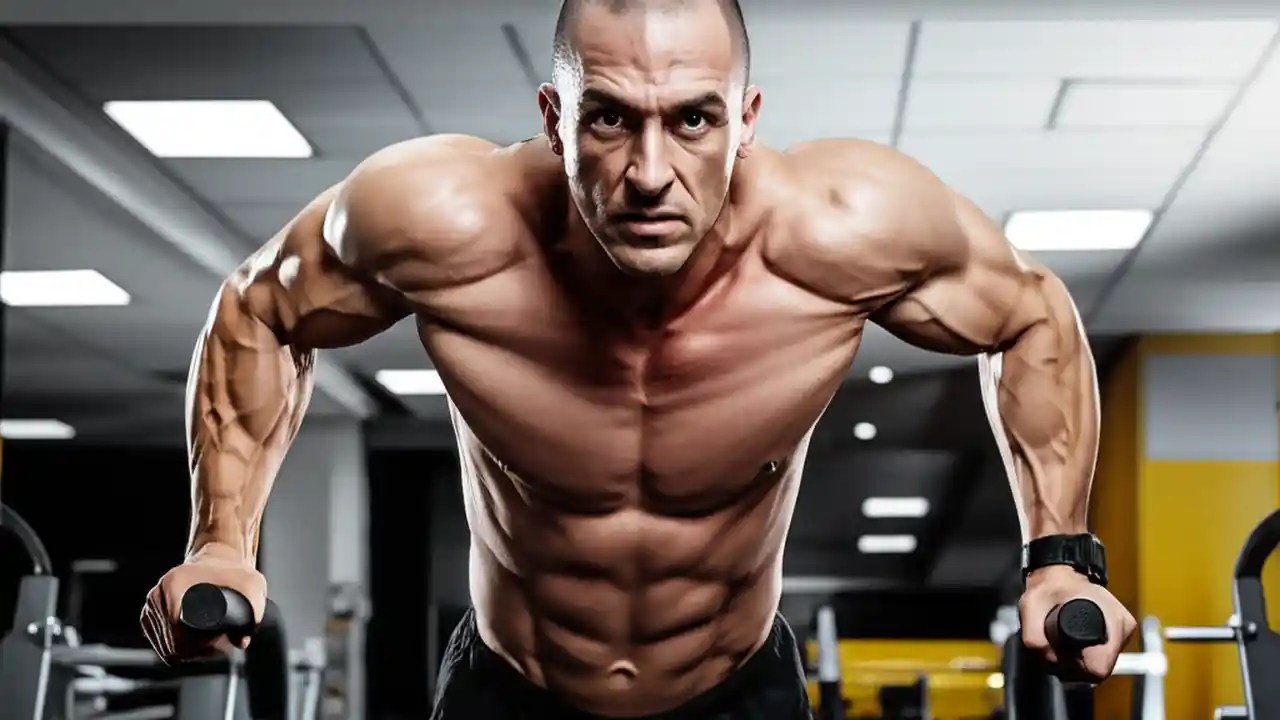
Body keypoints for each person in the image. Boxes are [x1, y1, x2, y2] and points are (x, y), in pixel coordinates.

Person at [141, 0, 1137, 717]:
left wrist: (1058, 558)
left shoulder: (844, 234)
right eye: (608, 117)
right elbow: (260, 308)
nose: (649, 174)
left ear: (745, 119)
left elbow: (1030, 313)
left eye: (692, 118)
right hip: (508, 688)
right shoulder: (440, 222)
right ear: (551, 115)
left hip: (736, 690)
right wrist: (222, 541)